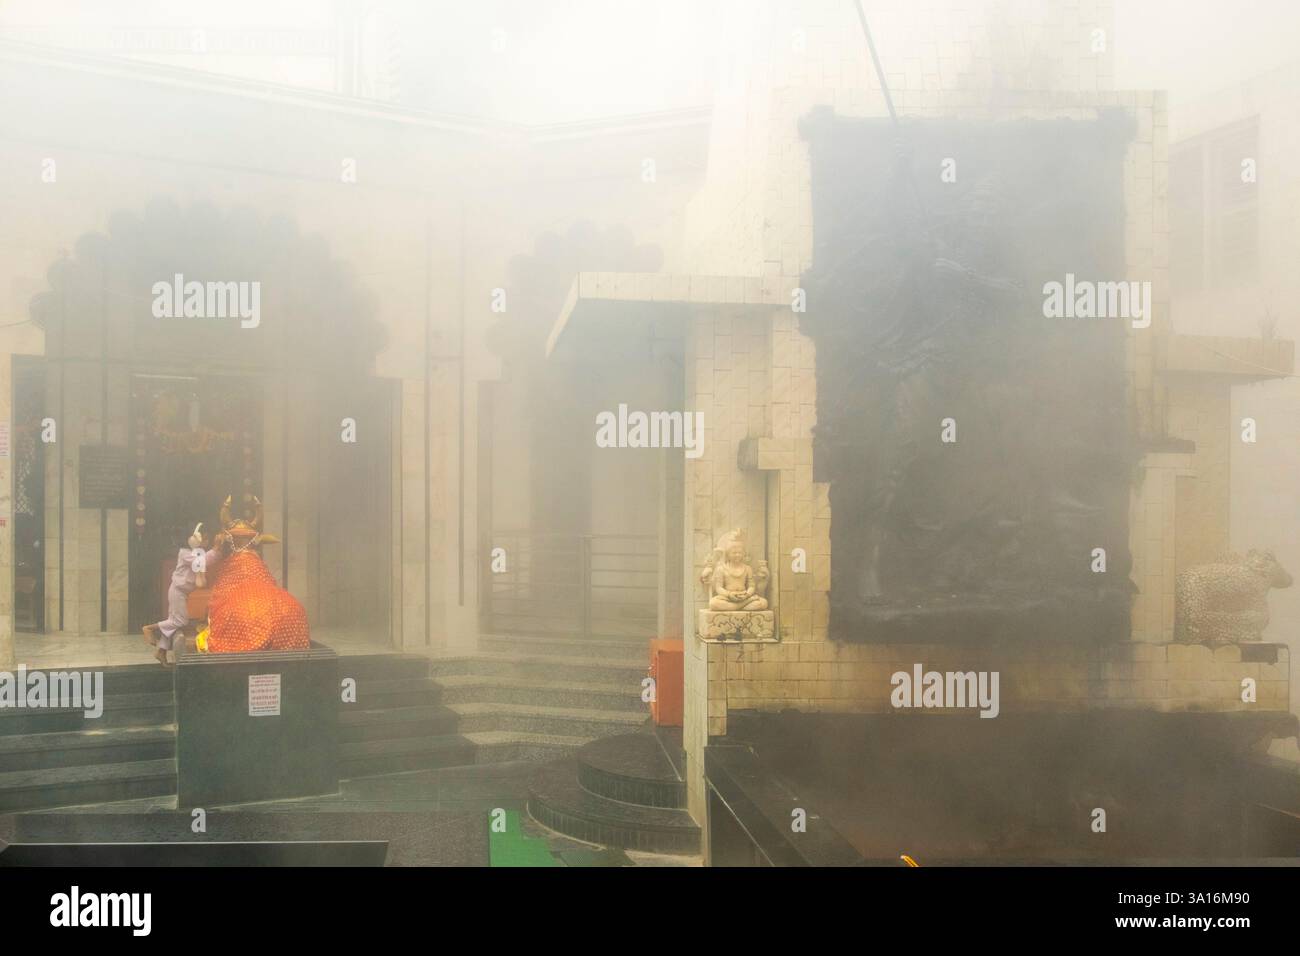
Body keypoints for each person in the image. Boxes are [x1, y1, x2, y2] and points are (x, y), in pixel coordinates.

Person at [143, 523, 218, 668]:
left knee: (173, 623)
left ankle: (161, 652)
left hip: (179, 592)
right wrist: (215, 550)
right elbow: (202, 562)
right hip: (178, 592)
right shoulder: (185, 553)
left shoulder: (194, 552)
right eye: (204, 539)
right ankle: (149, 628)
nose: (206, 542)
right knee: (181, 621)